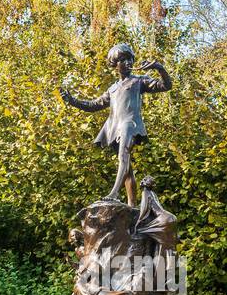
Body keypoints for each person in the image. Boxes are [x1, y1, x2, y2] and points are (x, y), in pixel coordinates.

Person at [60, 43, 171, 204]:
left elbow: (166, 86)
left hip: (130, 124)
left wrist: (160, 68)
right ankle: (132, 205)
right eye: (122, 60)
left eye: (129, 59)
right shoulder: (112, 89)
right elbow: (93, 105)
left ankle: (114, 193)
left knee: (123, 156)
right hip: (114, 127)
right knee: (127, 170)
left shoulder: (139, 81)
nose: (128, 63)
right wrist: (72, 101)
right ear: (115, 64)